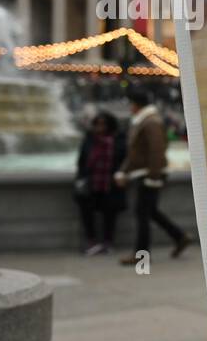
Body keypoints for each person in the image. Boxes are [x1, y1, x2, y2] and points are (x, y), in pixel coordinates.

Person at [115, 88, 190, 263]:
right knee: (150, 211)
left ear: (136, 105)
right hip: (146, 173)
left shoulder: (150, 122)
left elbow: (157, 150)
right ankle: (180, 237)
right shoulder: (145, 121)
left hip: (149, 175)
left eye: (130, 104)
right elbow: (135, 151)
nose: (129, 108)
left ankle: (141, 256)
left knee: (142, 213)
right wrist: (122, 171)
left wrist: (153, 177)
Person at [74, 111, 126, 255]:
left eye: (103, 124)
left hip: (111, 184)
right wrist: (81, 178)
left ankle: (108, 242)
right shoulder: (89, 139)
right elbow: (82, 160)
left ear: (110, 125)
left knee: (110, 214)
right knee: (87, 213)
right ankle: (92, 242)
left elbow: (124, 159)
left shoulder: (118, 140)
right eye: (97, 124)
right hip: (91, 183)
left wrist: (122, 174)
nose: (99, 127)